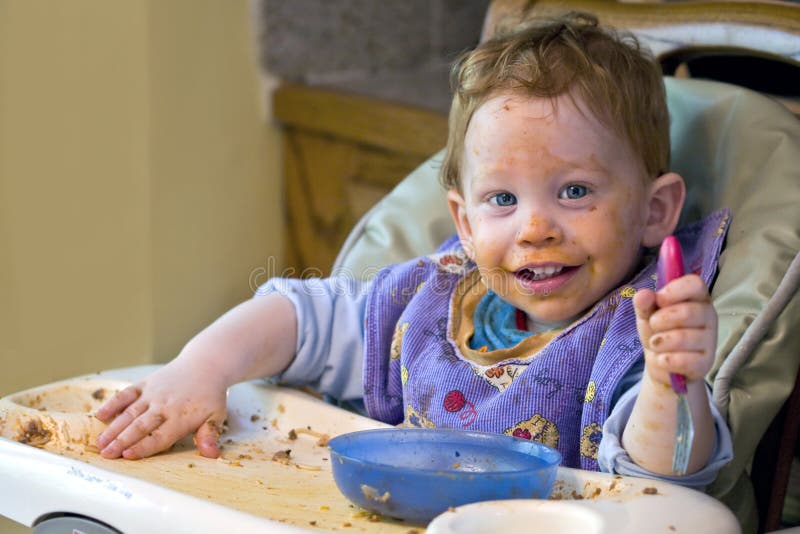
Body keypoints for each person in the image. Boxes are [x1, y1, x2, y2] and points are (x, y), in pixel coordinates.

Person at [95, 12, 731, 485]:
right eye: (502, 199)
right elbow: (301, 317)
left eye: (574, 190)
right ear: (464, 220)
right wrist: (202, 368)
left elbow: (661, 481)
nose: (534, 228)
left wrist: (671, 382)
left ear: (654, 211)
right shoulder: (427, 303)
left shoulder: (641, 334)